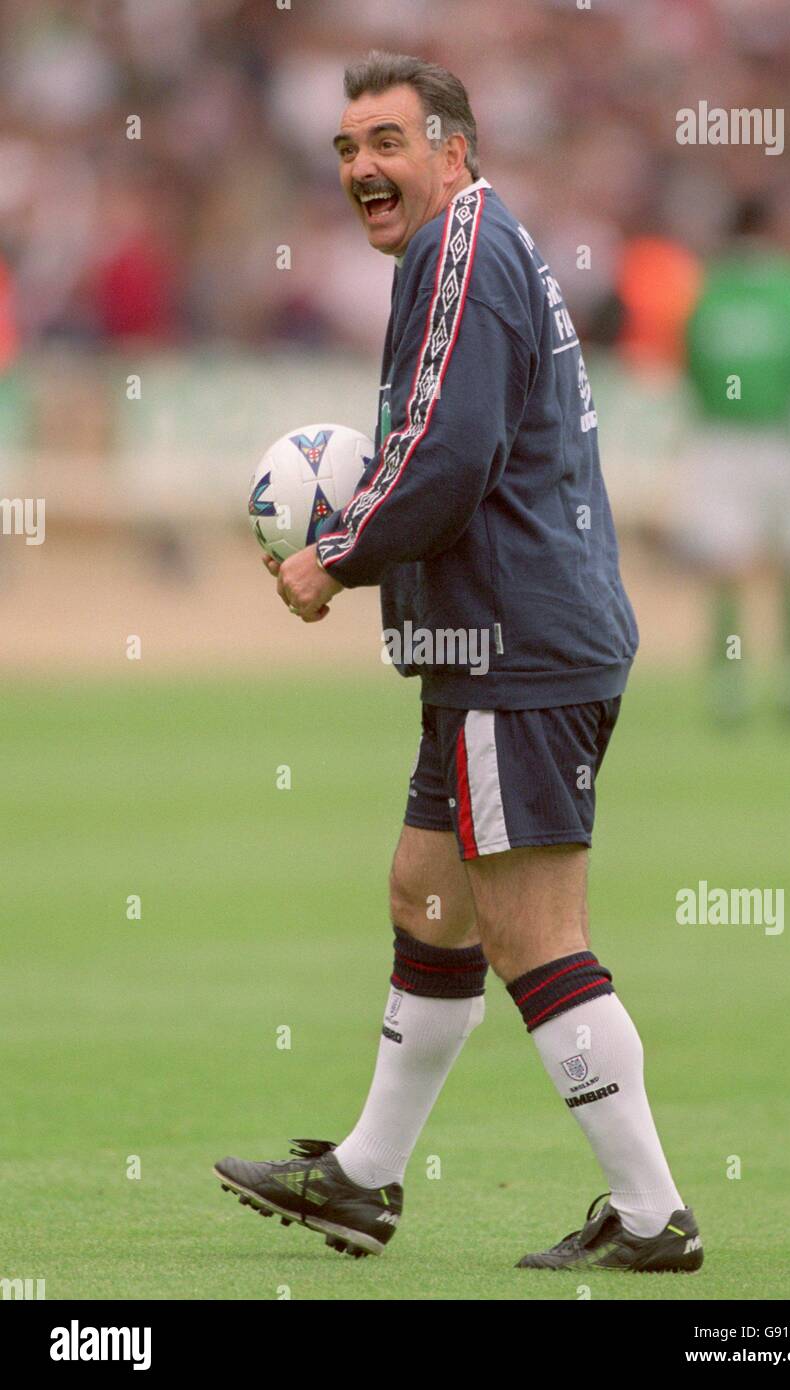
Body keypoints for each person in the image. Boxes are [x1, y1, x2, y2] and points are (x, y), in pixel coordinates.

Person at [214, 50, 702, 1275]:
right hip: (495, 647)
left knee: (534, 934)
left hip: (517, 651)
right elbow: (453, 441)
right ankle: (365, 1178)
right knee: (427, 897)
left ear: (454, 150)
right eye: (346, 148)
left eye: (387, 141)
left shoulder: (462, 251)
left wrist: (335, 556)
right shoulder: (474, 246)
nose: (361, 167)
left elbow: (450, 450)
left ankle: (653, 1215)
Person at [677, 196, 790, 723]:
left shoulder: (707, 289)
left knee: (726, 563)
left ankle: (728, 683)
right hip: (784, 440)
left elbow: (690, 368)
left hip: (721, 440)